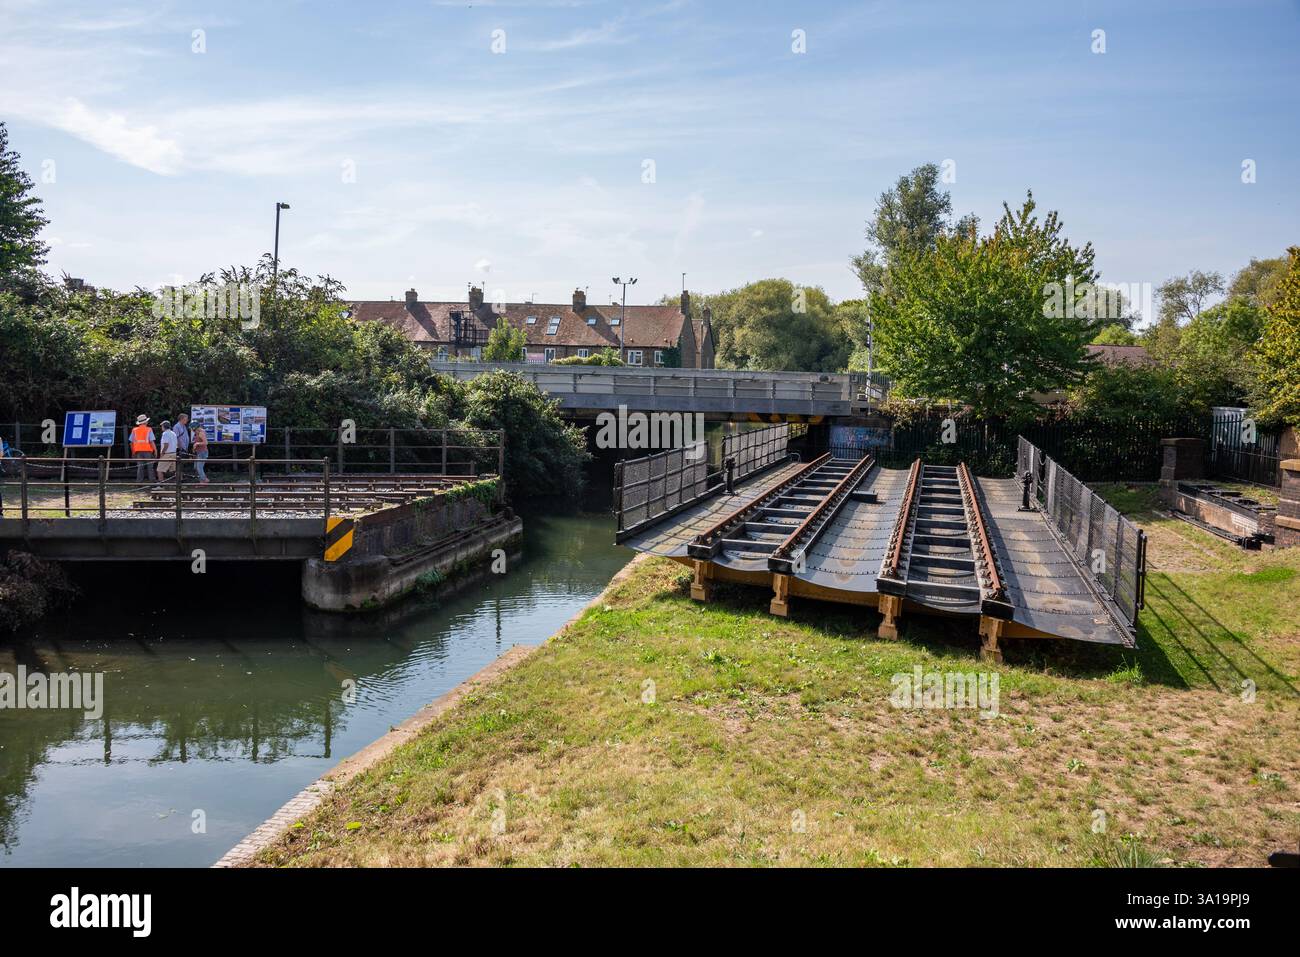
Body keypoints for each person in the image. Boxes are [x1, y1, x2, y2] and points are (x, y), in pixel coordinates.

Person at [130, 414, 157, 483]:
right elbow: (151, 441)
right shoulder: (149, 429)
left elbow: (131, 442)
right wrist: (155, 450)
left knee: (140, 467)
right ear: (145, 422)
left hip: (138, 451)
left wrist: (133, 452)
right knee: (150, 467)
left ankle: (139, 482)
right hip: (148, 451)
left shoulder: (134, 430)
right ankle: (152, 481)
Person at [172, 413, 190, 479]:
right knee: (179, 465)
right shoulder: (176, 427)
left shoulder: (184, 426)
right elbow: (176, 438)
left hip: (184, 448)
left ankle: (181, 479)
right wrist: (180, 448)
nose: (187, 420)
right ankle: (179, 480)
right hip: (180, 449)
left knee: (182, 465)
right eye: (186, 419)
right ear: (182, 419)